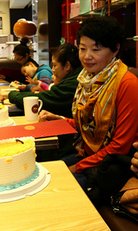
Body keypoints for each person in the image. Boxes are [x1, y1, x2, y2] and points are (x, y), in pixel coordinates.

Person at [38, 16, 138, 192]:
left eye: (96, 49)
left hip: (114, 165)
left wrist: (77, 167)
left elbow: (120, 146)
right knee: (44, 174)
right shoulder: (87, 80)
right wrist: (60, 120)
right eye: (82, 49)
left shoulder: (127, 83)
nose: (87, 56)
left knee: (55, 186)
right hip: (91, 156)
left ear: (115, 50)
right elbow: (90, 125)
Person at [0, 43, 82, 161]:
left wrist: (11, 95)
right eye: (84, 50)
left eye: (55, 65)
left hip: (69, 147)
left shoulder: (74, 82)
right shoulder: (76, 79)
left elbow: (45, 98)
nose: (53, 70)